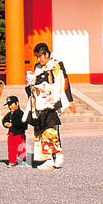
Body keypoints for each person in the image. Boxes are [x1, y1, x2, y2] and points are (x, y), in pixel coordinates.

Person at [30, 42, 71, 170]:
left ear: (46, 54)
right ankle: (47, 156)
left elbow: (63, 82)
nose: (38, 59)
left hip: (52, 101)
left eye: (40, 56)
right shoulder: (37, 67)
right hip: (40, 102)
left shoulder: (56, 65)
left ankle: (55, 155)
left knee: (51, 130)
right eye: (37, 56)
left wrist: (68, 100)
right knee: (41, 130)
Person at [0, 95, 27, 167]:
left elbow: (22, 122)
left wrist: (13, 124)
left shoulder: (20, 113)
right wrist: (5, 123)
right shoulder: (9, 114)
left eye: (11, 104)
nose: (10, 107)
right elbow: (4, 119)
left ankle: (23, 160)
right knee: (11, 148)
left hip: (19, 134)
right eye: (8, 105)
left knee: (21, 148)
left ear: (17, 104)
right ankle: (12, 161)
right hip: (11, 133)